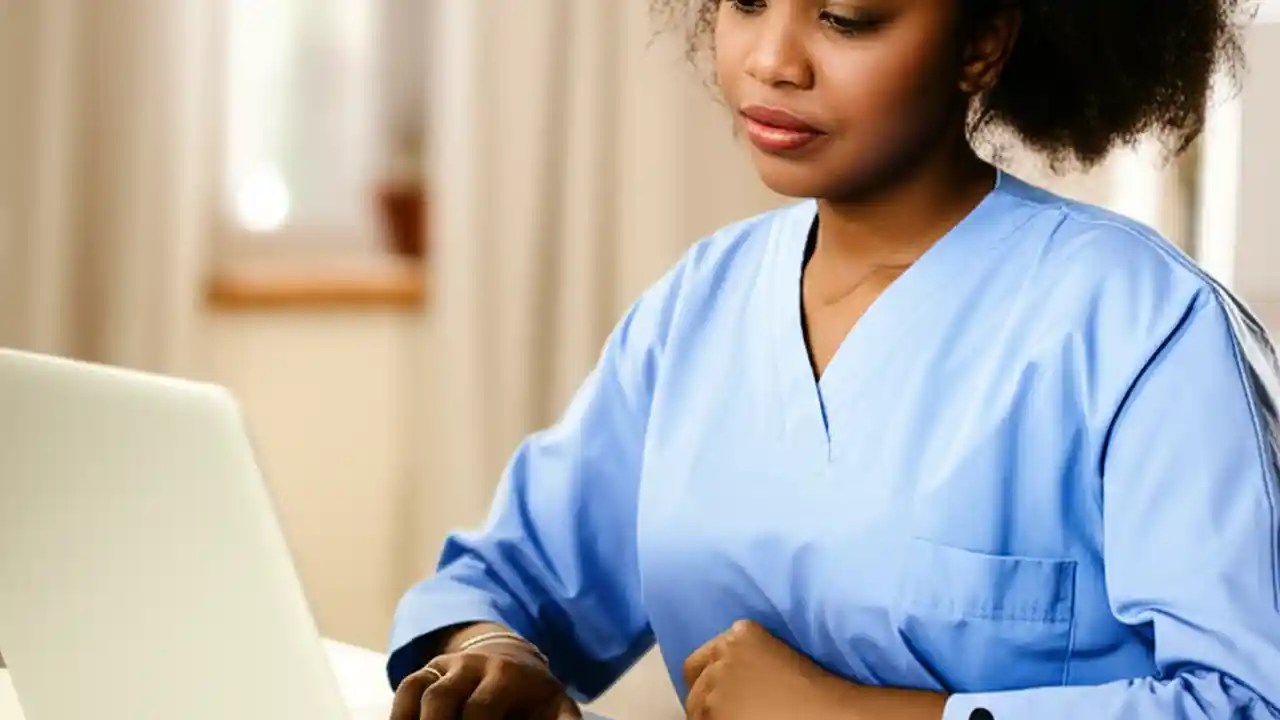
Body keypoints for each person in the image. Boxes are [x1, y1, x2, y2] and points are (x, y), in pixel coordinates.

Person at [389, 0, 1280, 718]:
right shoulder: (700, 303)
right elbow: (505, 578)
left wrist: (855, 714)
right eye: (744, 2)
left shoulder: (1146, 328)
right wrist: (491, 655)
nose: (773, 60)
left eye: (847, 18)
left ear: (981, 43)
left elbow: (1246, 700)